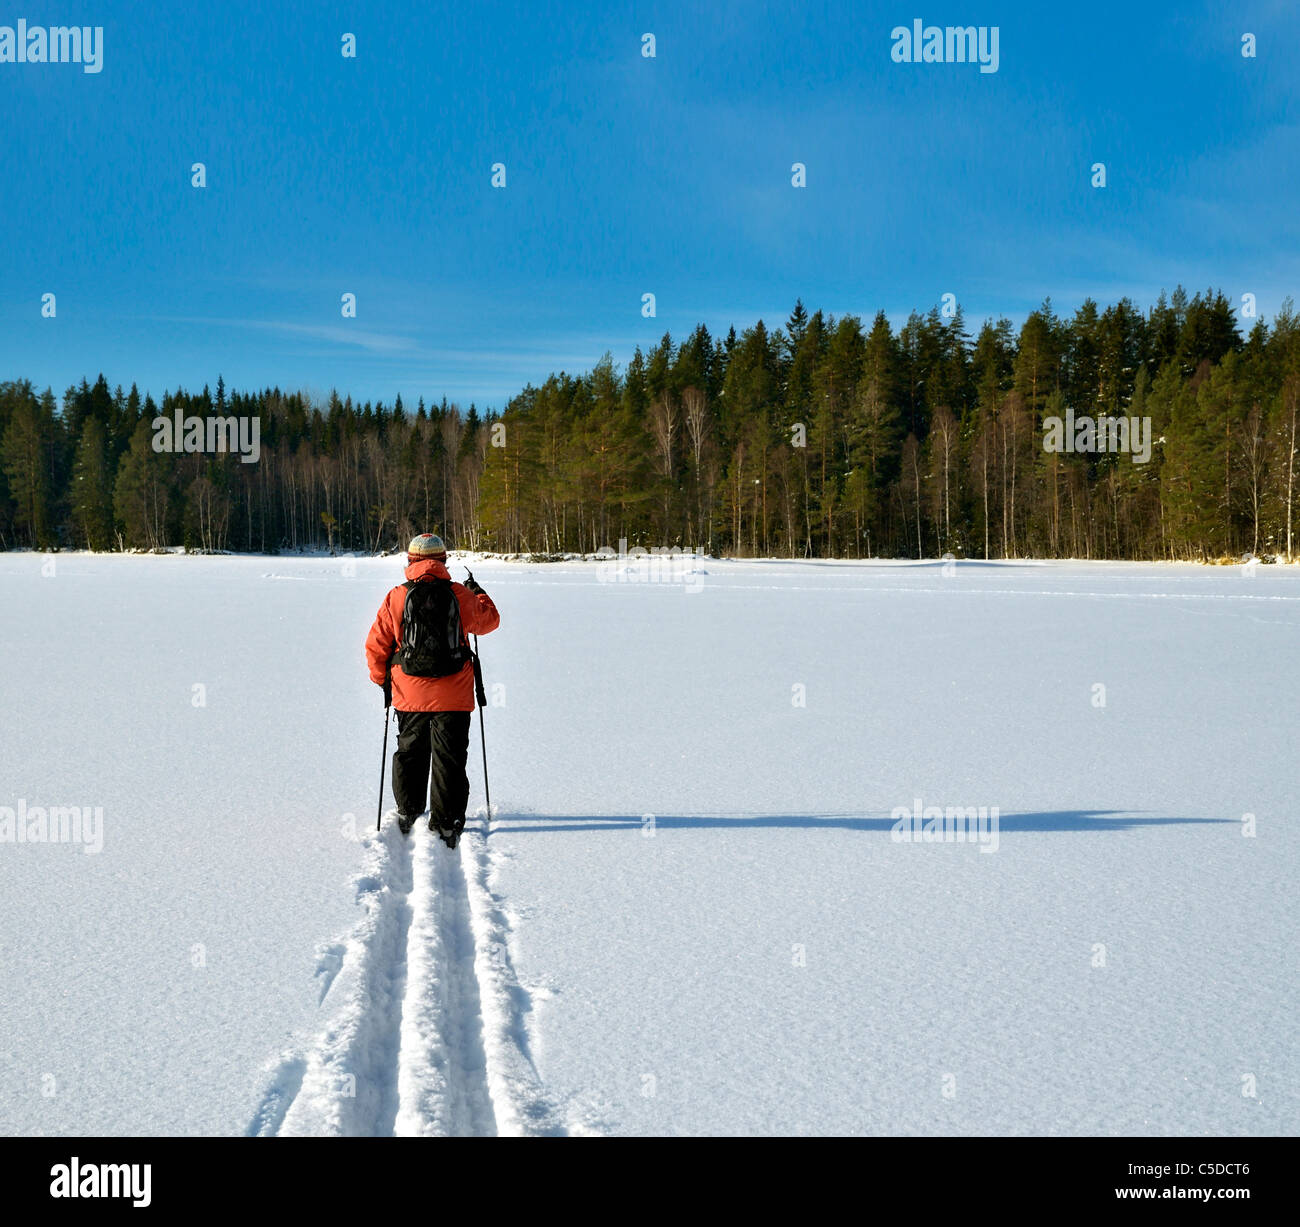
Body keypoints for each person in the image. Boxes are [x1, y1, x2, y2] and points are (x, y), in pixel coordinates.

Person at [365, 533, 500, 845]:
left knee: (410, 752)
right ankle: (447, 822)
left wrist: (383, 682)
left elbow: (376, 646)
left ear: (410, 561)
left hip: (408, 693)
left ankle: (408, 812)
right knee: (449, 758)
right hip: (454, 694)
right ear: (444, 560)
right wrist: (478, 594)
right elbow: (489, 622)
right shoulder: (458, 594)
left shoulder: (396, 596)